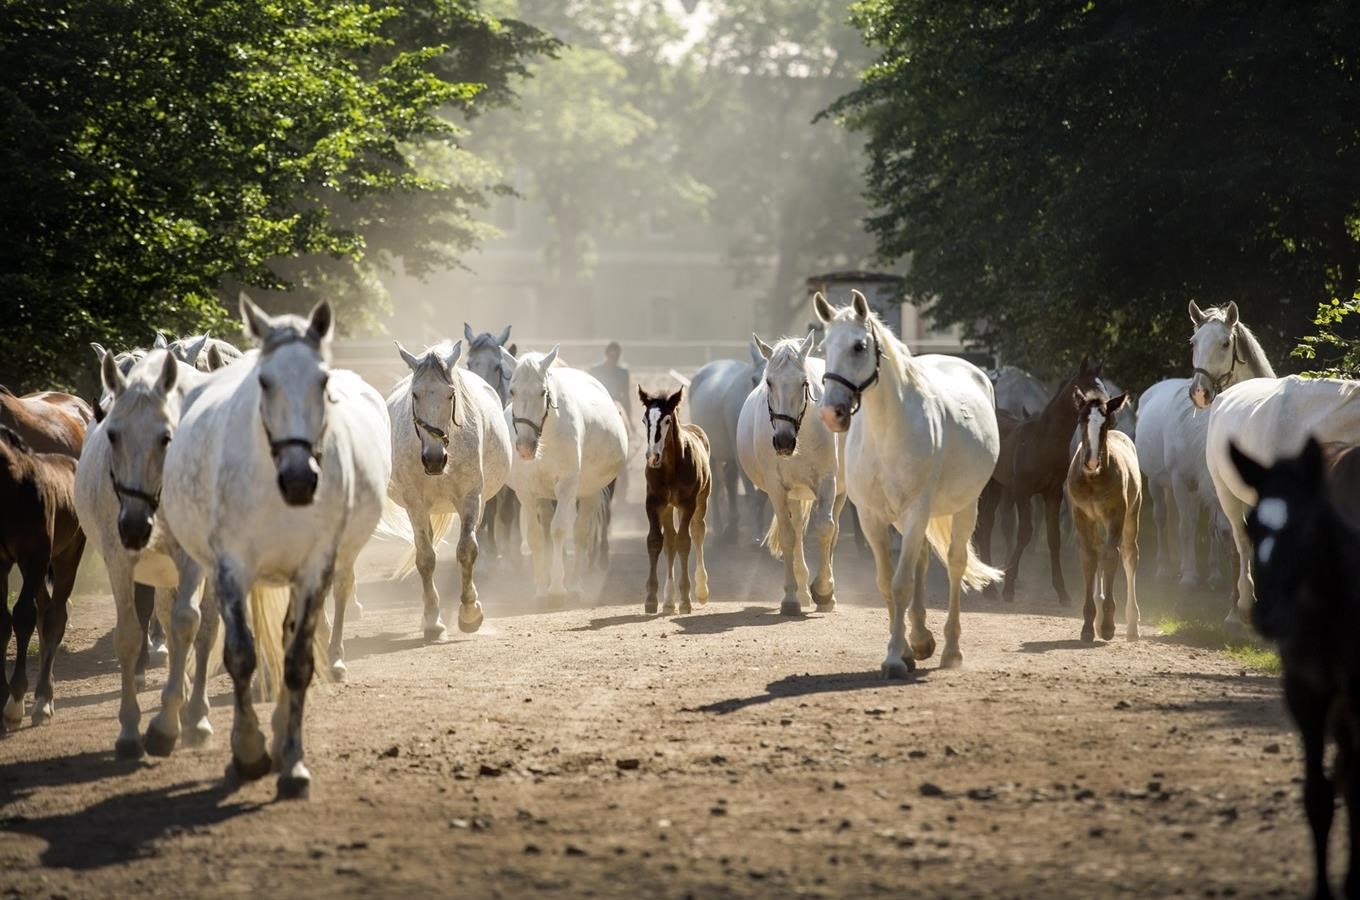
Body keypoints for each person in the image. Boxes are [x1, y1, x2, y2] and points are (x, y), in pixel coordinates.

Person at [590, 342, 633, 503]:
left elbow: (626, 396)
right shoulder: (595, 371)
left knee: (623, 456)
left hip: (617, 407)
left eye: (616, 356)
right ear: (606, 354)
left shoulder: (623, 373)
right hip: (600, 405)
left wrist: (629, 417)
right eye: (611, 355)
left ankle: (622, 495)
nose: (613, 358)